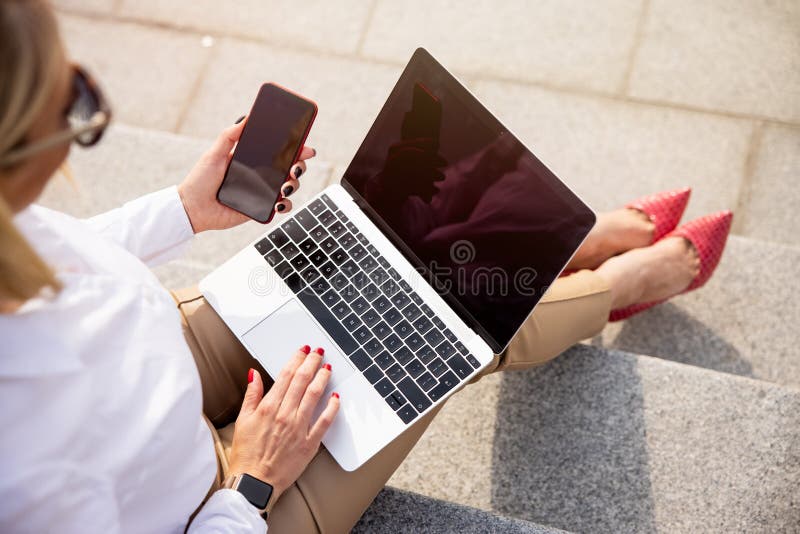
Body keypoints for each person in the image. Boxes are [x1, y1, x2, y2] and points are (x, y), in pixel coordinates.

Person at [0, 1, 732, 532]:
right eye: (75, 106)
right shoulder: (24, 478)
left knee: (393, 264)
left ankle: (565, 254)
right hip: (210, 507)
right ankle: (609, 282)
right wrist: (252, 485)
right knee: (443, 334)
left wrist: (184, 210)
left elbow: (33, 244)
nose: (80, 114)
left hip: (161, 350)